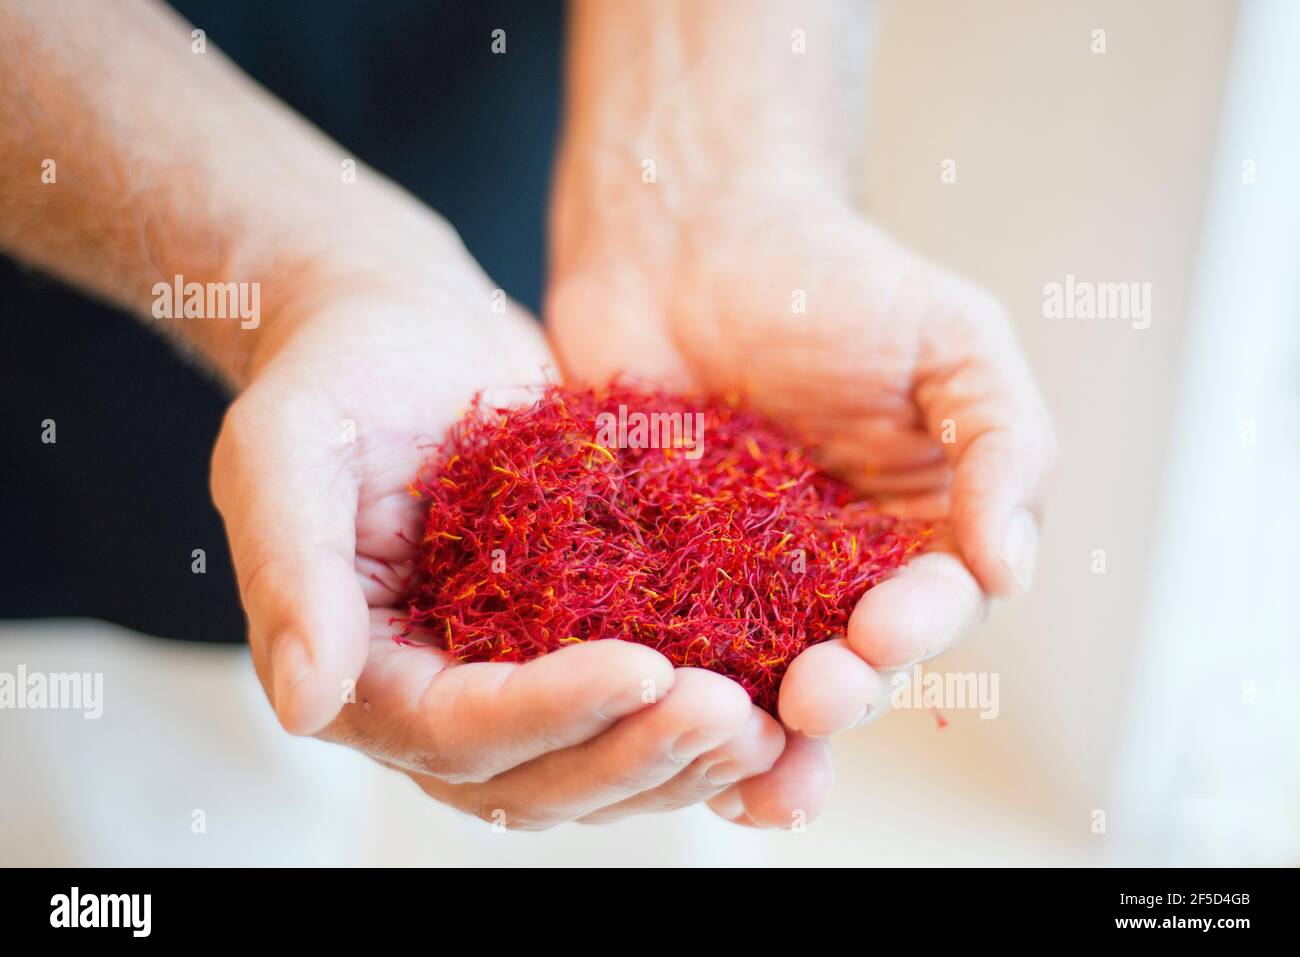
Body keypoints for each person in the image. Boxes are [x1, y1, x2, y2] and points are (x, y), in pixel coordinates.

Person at [0, 0, 1056, 830]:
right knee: (156, 817)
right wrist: (297, 268)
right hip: (74, 384)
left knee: (665, 756)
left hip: (556, 216)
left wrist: (731, 177)